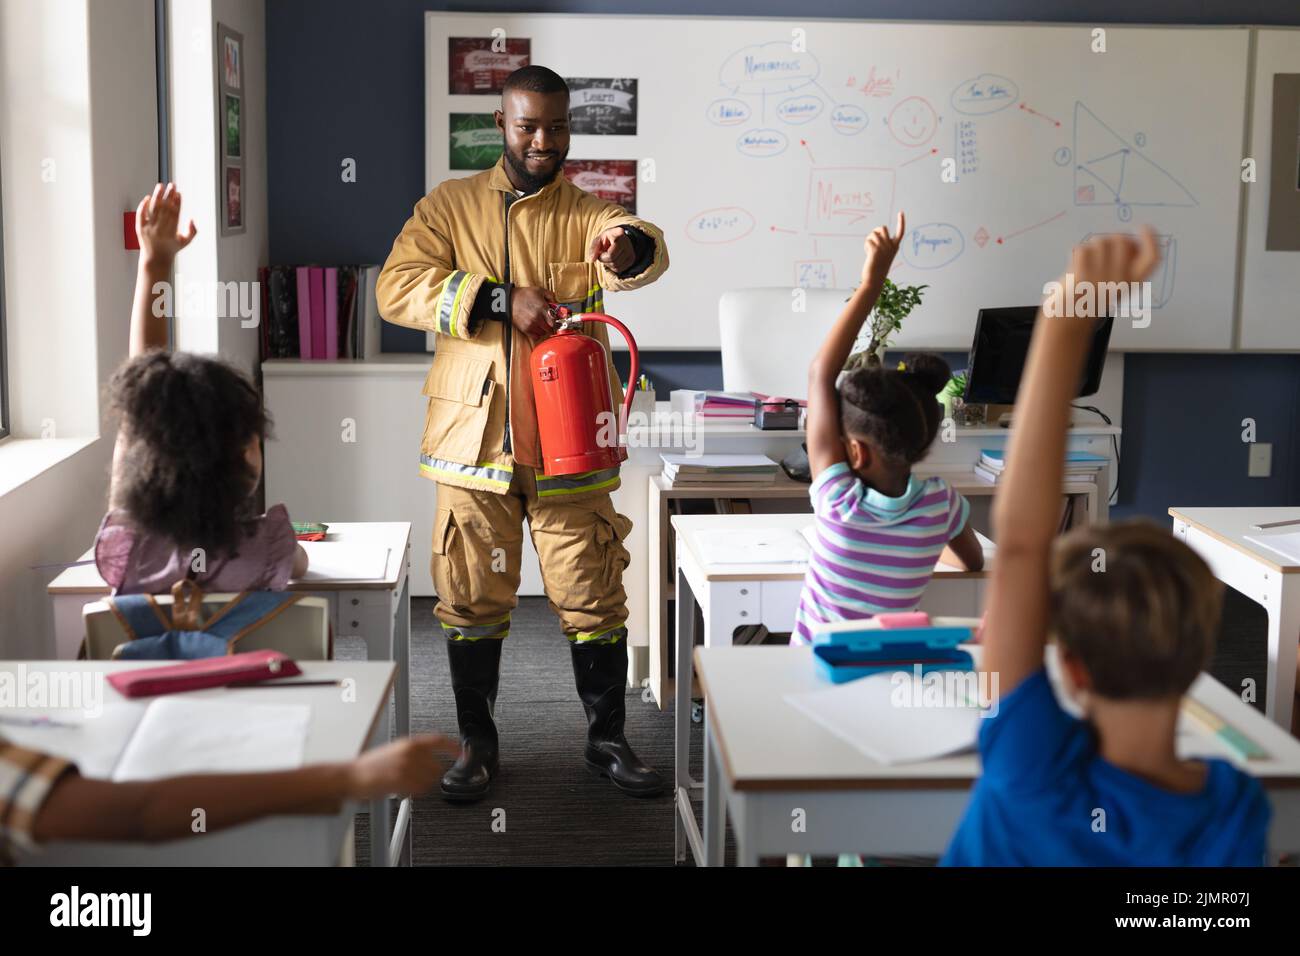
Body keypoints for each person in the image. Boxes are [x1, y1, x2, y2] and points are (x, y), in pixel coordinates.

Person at [377, 67, 669, 801]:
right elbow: (395, 287)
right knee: (471, 596)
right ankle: (477, 745)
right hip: (474, 439)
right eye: (528, 126)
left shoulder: (587, 212)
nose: (544, 141)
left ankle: (606, 741)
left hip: (571, 438)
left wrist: (627, 249)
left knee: (593, 590)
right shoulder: (447, 206)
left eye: (557, 126)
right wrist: (498, 299)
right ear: (500, 126)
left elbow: (639, 245)